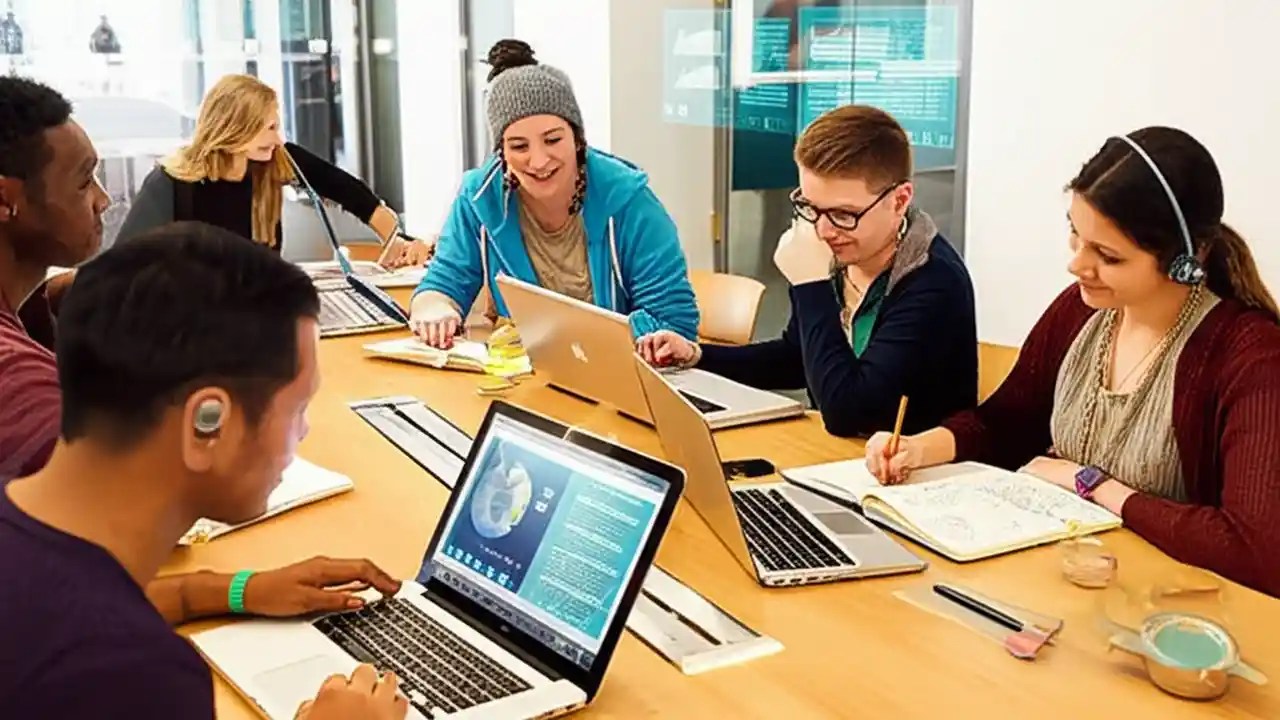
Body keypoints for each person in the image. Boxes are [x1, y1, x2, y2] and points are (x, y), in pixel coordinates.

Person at [1, 222, 407, 719]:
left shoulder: (27, 537)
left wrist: (230, 591)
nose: (302, 433)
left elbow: (61, 607)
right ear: (205, 423)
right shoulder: (131, 678)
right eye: (297, 408)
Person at [866, 127, 1280, 597]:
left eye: (1107, 255)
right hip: (1075, 585)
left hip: (1172, 611)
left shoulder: (1251, 357)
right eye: (1075, 234)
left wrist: (1093, 485)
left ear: (1186, 260)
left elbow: (1254, 552)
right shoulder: (1082, 309)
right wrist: (918, 450)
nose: (1077, 264)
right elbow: (1007, 424)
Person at [638, 105, 977, 437]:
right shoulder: (837, 253)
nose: (824, 230)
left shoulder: (934, 281)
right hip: (840, 463)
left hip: (914, 480)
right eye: (810, 208)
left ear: (900, 200)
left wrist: (810, 285)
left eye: (845, 214)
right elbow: (796, 357)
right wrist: (698, 355)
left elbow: (847, 412)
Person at [410, 39, 699, 348]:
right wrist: (434, 307)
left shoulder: (629, 201)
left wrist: (617, 340)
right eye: (519, 146)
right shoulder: (480, 197)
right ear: (502, 153)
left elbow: (674, 321)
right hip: (530, 375)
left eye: (552, 140)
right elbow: (443, 283)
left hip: (622, 375)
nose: (539, 161)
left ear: (577, 140)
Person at [117, 73, 429, 267]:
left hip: (261, 313)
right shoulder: (172, 182)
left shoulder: (275, 160)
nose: (278, 138)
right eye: (269, 128)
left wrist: (396, 237)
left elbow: (349, 191)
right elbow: (124, 264)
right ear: (235, 129)